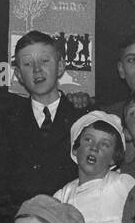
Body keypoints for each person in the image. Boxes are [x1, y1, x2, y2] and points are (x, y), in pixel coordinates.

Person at [54, 111, 135, 223]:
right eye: (88, 140)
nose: (94, 147)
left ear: (114, 158)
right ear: (76, 149)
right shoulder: (62, 196)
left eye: (105, 144)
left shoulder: (122, 184)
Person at [5, 30, 86, 204]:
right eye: (27, 64)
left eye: (44, 61)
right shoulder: (7, 121)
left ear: (61, 66)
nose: (37, 69)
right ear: (18, 75)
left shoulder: (82, 115)